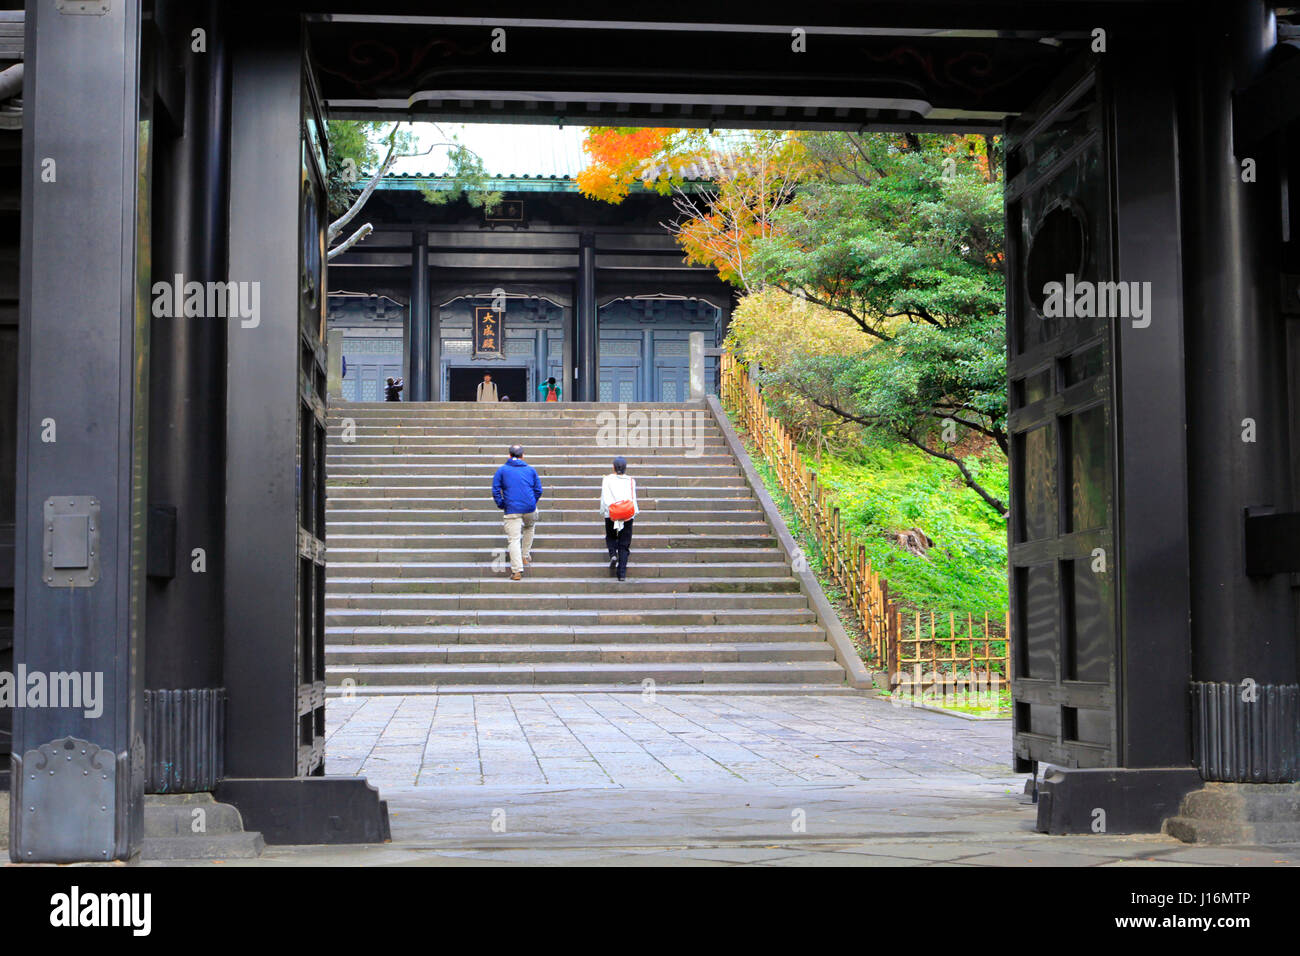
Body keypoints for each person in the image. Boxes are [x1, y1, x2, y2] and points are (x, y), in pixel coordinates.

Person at [492, 444, 543, 581]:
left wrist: (502, 504)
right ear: (523, 455)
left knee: (514, 539)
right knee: (530, 526)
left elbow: (496, 490)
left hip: (512, 509)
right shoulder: (530, 470)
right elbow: (538, 490)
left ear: (509, 456)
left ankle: (517, 571)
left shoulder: (502, 470)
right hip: (529, 508)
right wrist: (532, 502)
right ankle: (525, 555)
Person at [600, 455, 639, 581]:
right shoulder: (631, 481)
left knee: (611, 536)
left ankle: (612, 554)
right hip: (627, 514)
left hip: (612, 513)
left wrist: (605, 511)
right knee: (624, 544)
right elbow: (633, 498)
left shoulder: (607, 480)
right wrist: (634, 513)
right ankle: (621, 574)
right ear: (625, 468)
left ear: (613, 467)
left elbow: (604, 498)